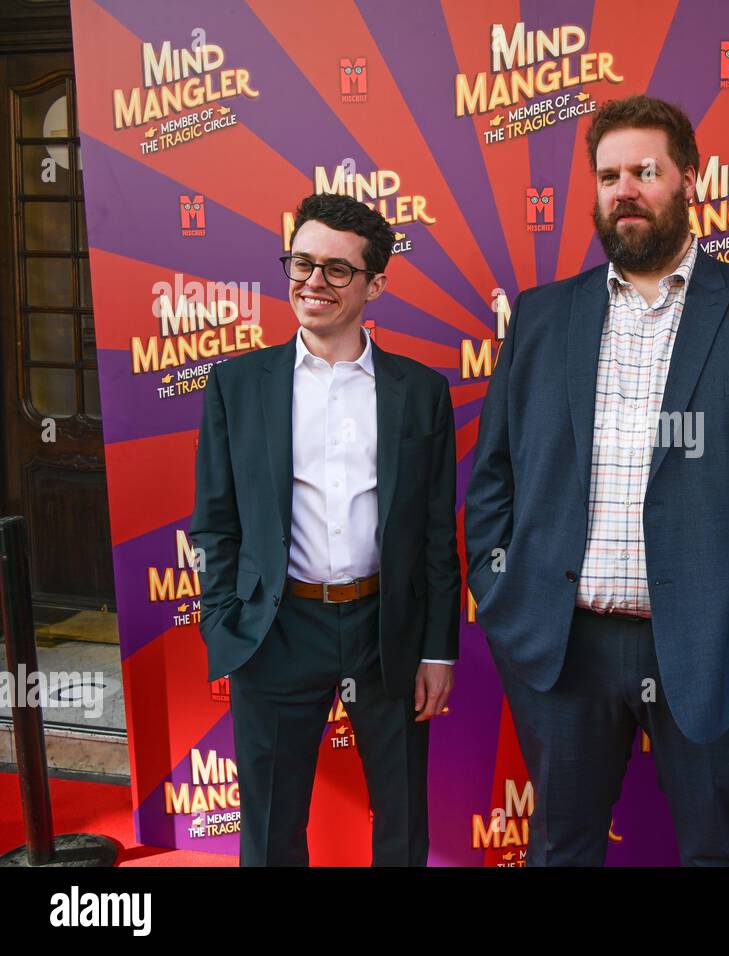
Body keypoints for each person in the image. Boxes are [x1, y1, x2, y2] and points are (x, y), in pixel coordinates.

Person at [465, 95, 729, 866]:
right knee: (561, 848)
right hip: (561, 646)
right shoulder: (541, 319)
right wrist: (502, 593)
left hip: (723, 645)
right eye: (608, 175)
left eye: (646, 170)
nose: (625, 190)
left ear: (689, 178)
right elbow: (495, 472)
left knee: (721, 852)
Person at [190, 193, 460, 866]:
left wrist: (437, 650)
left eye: (337, 270)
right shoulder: (237, 385)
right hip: (277, 631)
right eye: (302, 263)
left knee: (401, 818)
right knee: (272, 822)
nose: (313, 282)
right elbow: (216, 521)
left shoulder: (419, 391)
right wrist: (226, 619)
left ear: (375, 284)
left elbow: (434, 534)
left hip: (385, 629)